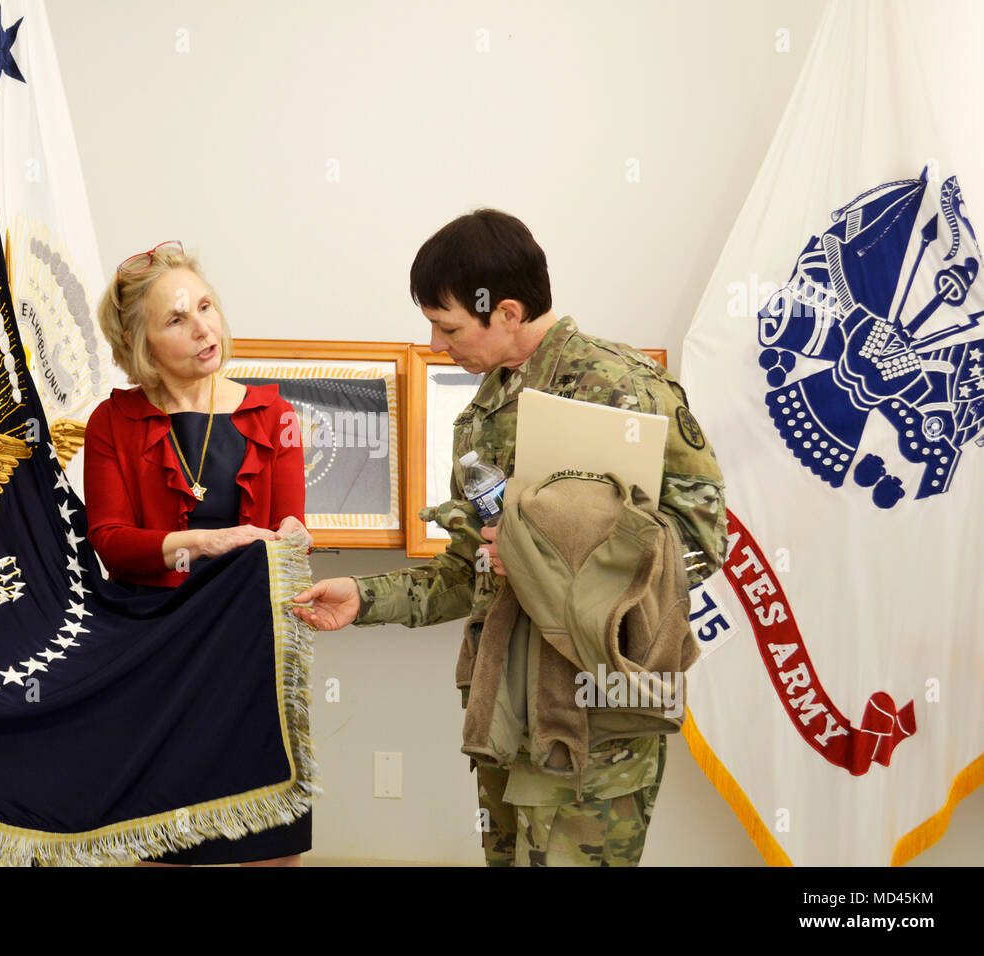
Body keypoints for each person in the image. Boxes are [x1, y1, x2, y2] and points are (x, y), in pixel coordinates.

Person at [292, 209, 728, 867]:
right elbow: (472, 575)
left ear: (507, 312)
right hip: (507, 717)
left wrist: (572, 553)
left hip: (596, 717)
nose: (439, 345)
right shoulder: (480, 418)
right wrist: (362, 597)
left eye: (448, 327)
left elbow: (702, 538)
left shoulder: (623, 387)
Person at [85, 240, 312, 866]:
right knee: (165, 844)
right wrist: (205, 543)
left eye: (205, 306)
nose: (203, 328)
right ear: (142, 345)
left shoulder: (276, 412)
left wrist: (293, 540)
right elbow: (110, 544)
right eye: (176, 319)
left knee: (270, 840)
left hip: (253, 654)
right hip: (156, 653)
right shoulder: (114, 421)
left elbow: (289, 528)